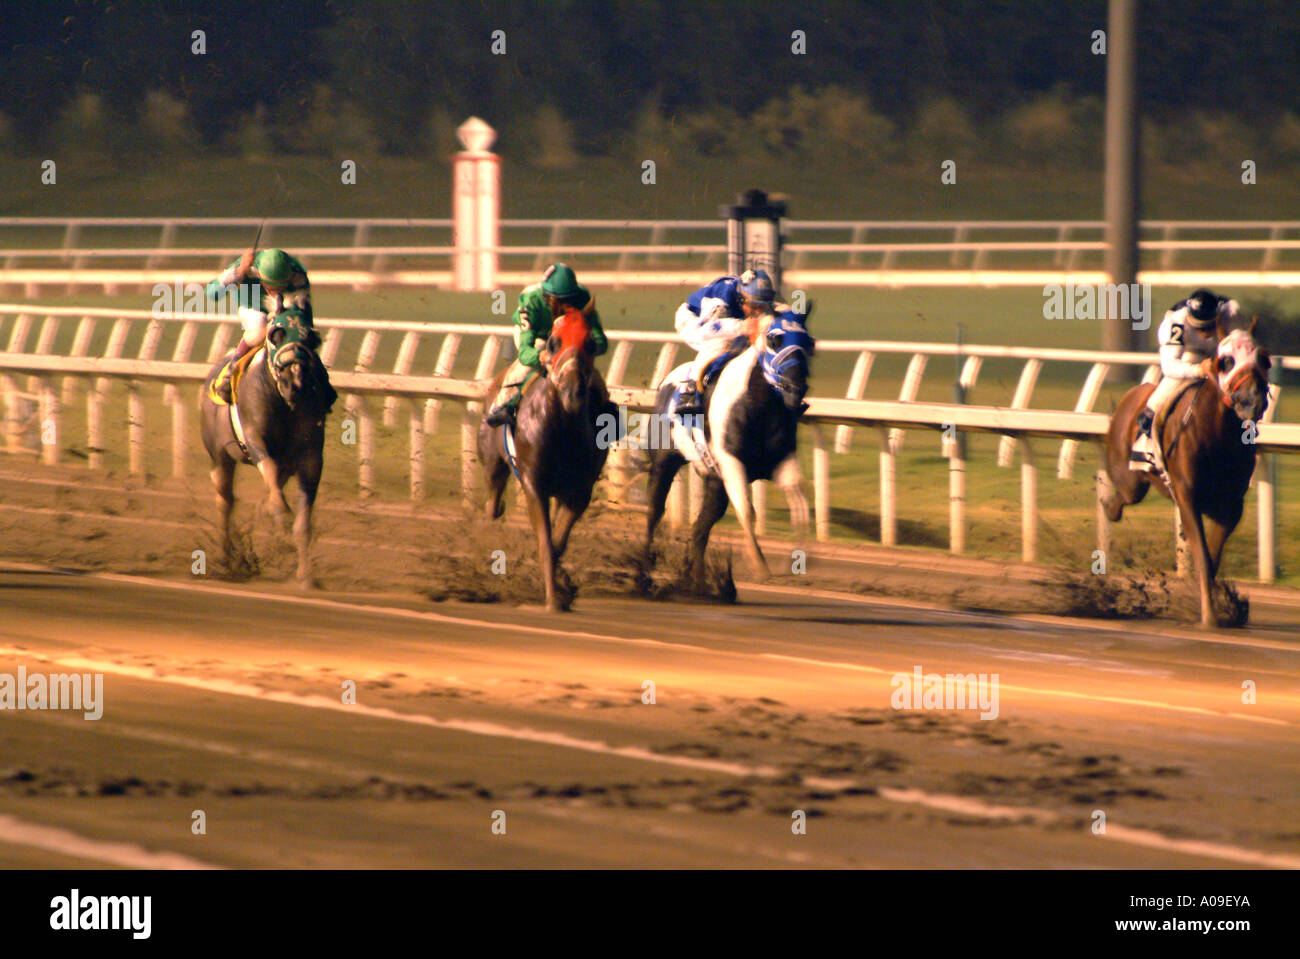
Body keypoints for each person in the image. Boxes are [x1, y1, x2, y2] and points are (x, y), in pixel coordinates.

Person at [484, 262, 608, 426]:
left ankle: (608, 415)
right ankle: (502, 406)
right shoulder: (531, 301)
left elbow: (600, 339)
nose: (562, 306)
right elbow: (524, 352)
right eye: (556, 300)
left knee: (594, 378)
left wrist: (585, 347)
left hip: (567, 340)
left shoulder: (582, 297)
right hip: (538, 336)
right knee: (524, 368)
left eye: (567, 300)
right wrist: (539, 356)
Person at [1130, 288, 1238, 472]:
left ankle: (1248, 441)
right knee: (1156, 401)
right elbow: (1169, 366)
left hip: (1221, 357)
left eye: (1209, 327)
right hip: (1187, 358)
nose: (1205, 333)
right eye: (1200, 328)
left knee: (1247, 400)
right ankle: (1143, 447)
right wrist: (1198, 370)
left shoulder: (1231, 312)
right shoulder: (1175, 324)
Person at [205, 247, 316, 404]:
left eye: (280, 287)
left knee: (299, 332)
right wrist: (237, 273)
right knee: (259, 327)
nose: (274, 292)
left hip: (286, 307)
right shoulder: (247, 266)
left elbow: (305, 313)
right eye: (270, 287)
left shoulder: (297, 273)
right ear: (260, 276)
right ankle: (230, 373)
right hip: (253, 307)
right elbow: (211, 293)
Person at [672, 268, 778, 414]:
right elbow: (708, 331)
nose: (759, 311)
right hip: (694, 322)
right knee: (721, 343)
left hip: (723, 319)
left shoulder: (753, 293)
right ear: (742, 299)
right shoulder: (721, 302)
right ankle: (690, 391)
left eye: (763, 305)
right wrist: (742, 326)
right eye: (754, 306)